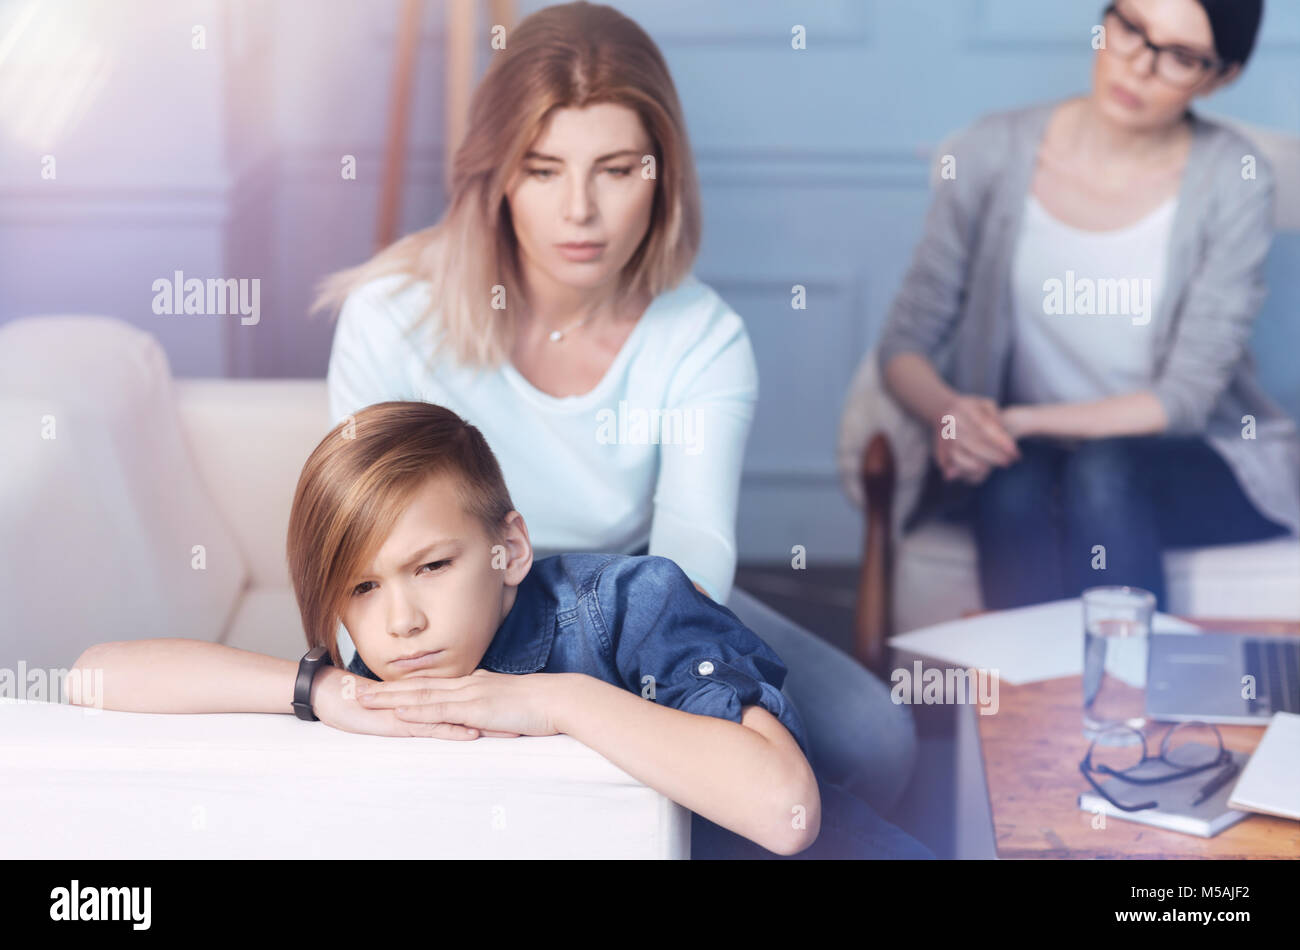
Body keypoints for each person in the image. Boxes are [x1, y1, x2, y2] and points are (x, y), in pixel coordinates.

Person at [312, 1, 918, 831]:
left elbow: (691, 568)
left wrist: (587, 698)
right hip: (464, 601)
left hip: (634, 589)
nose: (580, 212)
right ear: (496, 174)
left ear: (662, 172)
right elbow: (363, 540)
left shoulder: (702, 338)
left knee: (873, 739)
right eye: (544, 168)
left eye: (617, 168)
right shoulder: (389, 315)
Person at [69, 401, 934, 859]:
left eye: (432, 567)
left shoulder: (625, 603)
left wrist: (557, 701)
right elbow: (94, 678)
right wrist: (317, 689)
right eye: (362, 587)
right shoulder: (373, 674)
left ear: (509, 548)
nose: (401, 620)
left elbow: (786, 814)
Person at [876, 0, 1298, 613]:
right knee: (1010, 482)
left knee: (1103, 471)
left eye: (1179, 56)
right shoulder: (990, 150)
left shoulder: (1234, 177)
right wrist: (954, 416)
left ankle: (1127, 700)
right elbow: (904, 343)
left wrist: (1016, 421)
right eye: (1131, 29)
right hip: (1021, 458)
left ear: (1221, 75)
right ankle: (1033, 701)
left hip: (1187, 463)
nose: (1139, 67)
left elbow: (1182, 401)